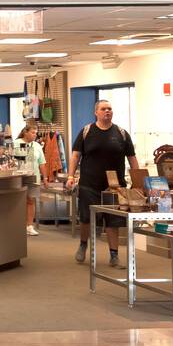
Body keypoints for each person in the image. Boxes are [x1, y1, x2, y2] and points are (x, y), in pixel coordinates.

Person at [66, 100, 140, 267]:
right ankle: (83, 245)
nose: (107, 111)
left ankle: (114, 255)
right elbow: (76, 156)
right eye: (103, 109)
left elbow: (132, 159)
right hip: (89, 184)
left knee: (113, 221)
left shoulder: (121, 133)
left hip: (115, 187)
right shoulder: (86, 131)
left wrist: (138, 182)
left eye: (110, 109)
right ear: (96, 112)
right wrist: (70, 176)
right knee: (86, 219)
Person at [16, 123, 46, 236]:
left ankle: (29, 225)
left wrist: (45, 178)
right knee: (19, 201)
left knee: (30, 201)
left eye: (36, 133)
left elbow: (42, 163)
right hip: (19, 177)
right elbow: (13, 160)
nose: (35, 135)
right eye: (33, 132)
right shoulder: (16, 143)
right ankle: (18, 225)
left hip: (33, 177)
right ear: (25, 132)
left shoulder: (37, 146)